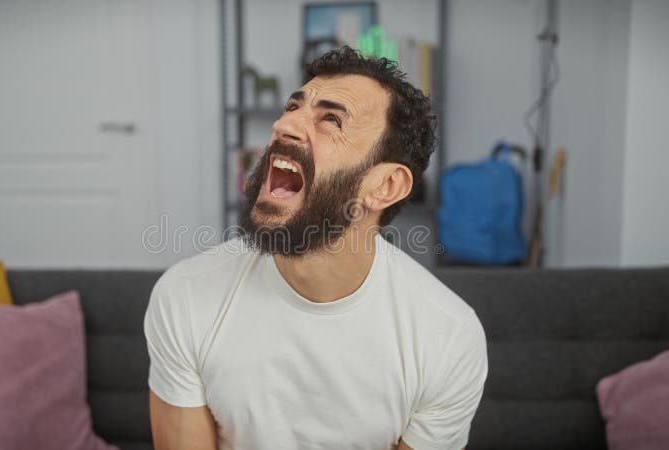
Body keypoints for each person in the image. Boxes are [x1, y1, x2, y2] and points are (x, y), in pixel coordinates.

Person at [144, 47, 488, 450]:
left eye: (331, 119)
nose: (283, 125)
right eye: (293, 107)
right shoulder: (186, 296)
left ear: (385, 186)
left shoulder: (448, 338)